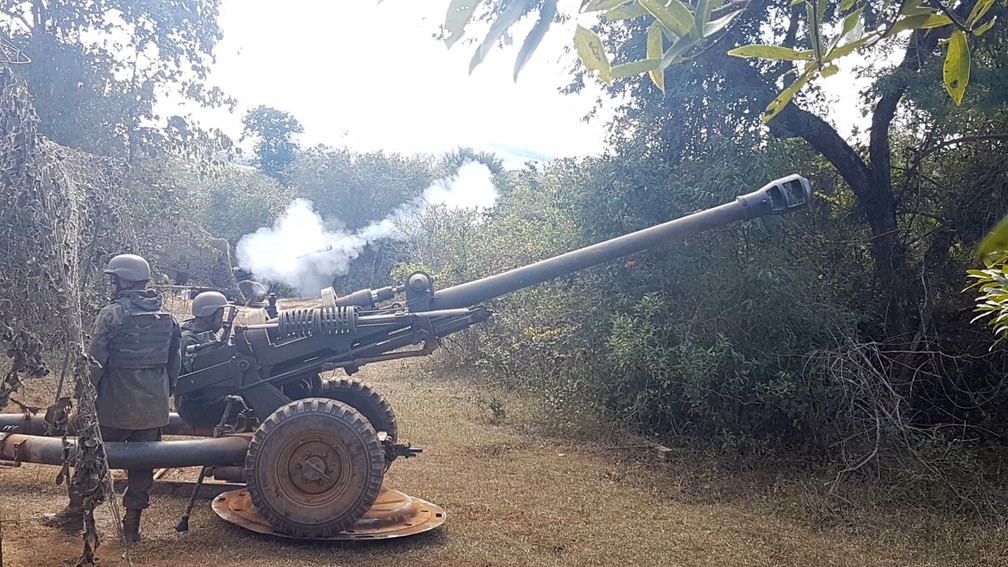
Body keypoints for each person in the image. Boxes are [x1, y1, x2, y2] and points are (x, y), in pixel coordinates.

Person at [43, 254, 181, 543]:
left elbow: (94, 362)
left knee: (89, 457)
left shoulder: (112, 315)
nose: (110, 285)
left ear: (123, 281)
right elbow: (174, 363)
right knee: (143, 466)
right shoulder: (167, 316)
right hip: (152, 410)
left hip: (113, 408)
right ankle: (132, 528)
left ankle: (76, 515)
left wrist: (82, 399)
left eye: (112, 280)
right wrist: (163, 394)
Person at [180, 290, 229, 372]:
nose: (222, 321)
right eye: (220, 317)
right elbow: (196, 369)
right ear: (207, 317)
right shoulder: (187, 338)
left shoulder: (205, 333)